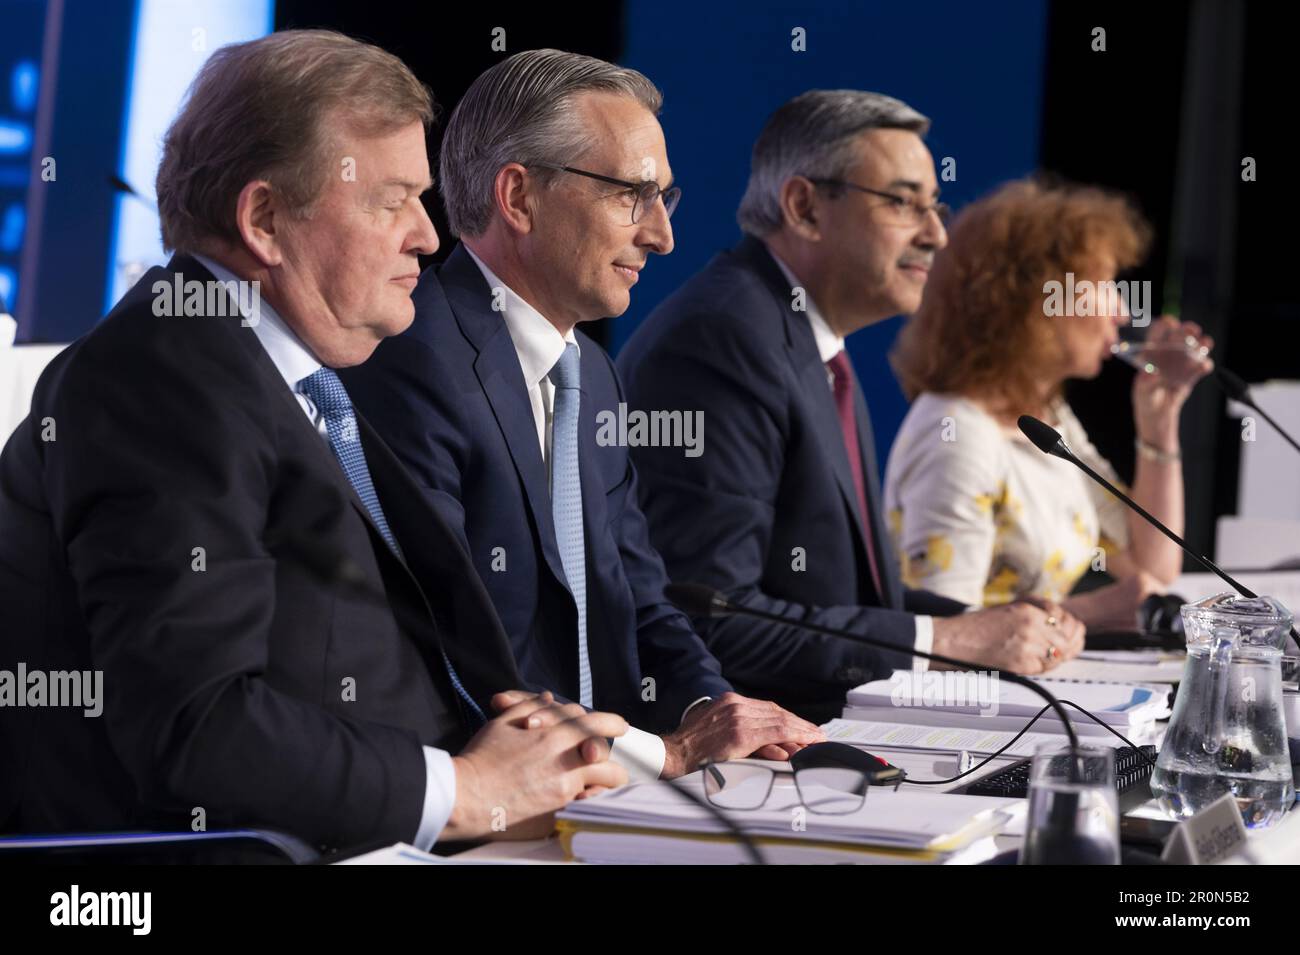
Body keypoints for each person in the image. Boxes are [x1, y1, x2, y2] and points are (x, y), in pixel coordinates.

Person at [0, 30, 626, 851]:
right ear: (264, 219)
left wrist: (544, 756)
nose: (427, 235)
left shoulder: (288, 375)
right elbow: (196, 724)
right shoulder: (164, 378)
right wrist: (465, 789)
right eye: (391, 199)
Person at [344, 49, 824, 780]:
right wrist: (661, 754)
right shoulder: (415, 357)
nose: (661, 234)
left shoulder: (592, 373)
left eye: (666, 198)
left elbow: (643, 596)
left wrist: (712, 712)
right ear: (520, 196)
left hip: (611, 790)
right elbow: (454, 651)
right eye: (634, 194)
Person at [618, 91, 1084, 724]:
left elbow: (843, 596)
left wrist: (988, 625)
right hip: (743, 759)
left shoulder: (807, 337)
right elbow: (712, 619)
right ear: (806, 207)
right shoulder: (724, 340)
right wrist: (945, 643)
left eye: (936, 206)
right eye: (903, 202)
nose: (936, 233)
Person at [885, 178, 1212, 627]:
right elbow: (944, 635)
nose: (1120, 310)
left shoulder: (1046, 416)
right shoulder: (957, 434)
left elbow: (1152, 568)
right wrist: (1089, 613)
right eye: (1104, 284)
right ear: (1037, 301)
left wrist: (1159, 419)